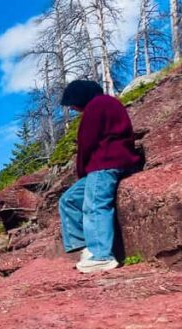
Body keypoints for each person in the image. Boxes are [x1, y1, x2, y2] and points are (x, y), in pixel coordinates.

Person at [58, 80, 142, 273]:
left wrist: (82, 171)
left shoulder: (97, 105)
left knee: (95, 205)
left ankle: (102, 256)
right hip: (112, 163)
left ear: (80, 97)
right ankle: (89, 247)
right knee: (69, 200)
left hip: (105, 164)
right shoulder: (107, 103)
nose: (72, 107)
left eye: (72, 102)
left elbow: (87, 143)